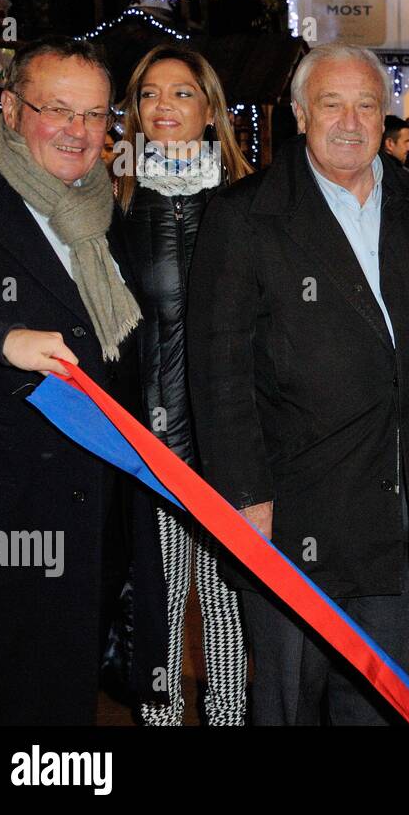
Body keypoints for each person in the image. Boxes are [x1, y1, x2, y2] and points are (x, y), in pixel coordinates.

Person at [185, 43, 409, 725]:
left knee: (377, 702)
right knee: (286, 704)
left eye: (366, 104)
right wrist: (247, 498)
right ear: (302, 113)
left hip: (396, 514)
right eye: (332, 103)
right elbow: (218, 373)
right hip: (293, 514)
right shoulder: (245, 216)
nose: (349, 120)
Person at [0, 36, 159, 723]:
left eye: (96, 115)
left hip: (95, 519)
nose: (78, 132)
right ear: (11, 109)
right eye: (58, 110)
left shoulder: (107, 218)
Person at [115, 44, 252, 726]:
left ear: (210, 109)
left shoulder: (247, 204)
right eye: (148, 94)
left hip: (230, 447)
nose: (163, 107)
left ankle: (229, 719)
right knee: (162, 602)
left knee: (228, 600)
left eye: (181, 93)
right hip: (148, 444)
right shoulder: (109, 205)